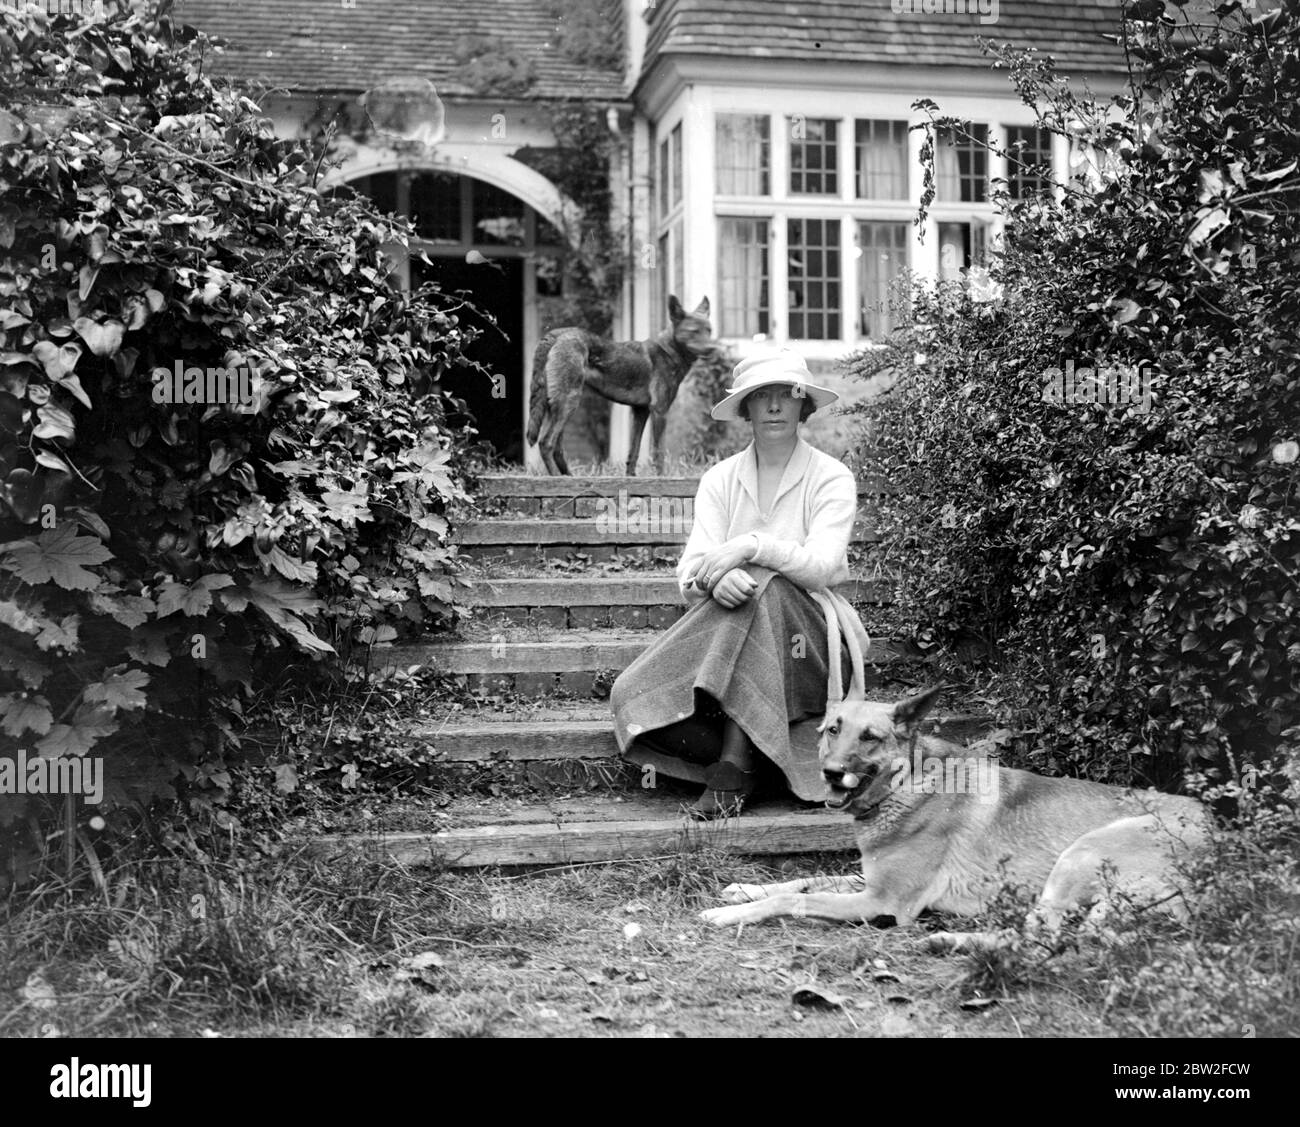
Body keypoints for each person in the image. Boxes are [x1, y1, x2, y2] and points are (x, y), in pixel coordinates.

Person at [610, 348, 871, 818]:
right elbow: (691, 570)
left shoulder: (831, 477)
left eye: (786, 395)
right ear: (746, 408)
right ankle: (762, 757)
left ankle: (733, 765)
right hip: (730, 642)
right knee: (631, 695)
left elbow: (823, 567)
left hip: (812, 646)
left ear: (804, 405)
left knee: (767, 589)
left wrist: (751, 548)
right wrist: (716, 580)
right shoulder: (719, 479)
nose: (774, 406)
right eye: (760, 396)